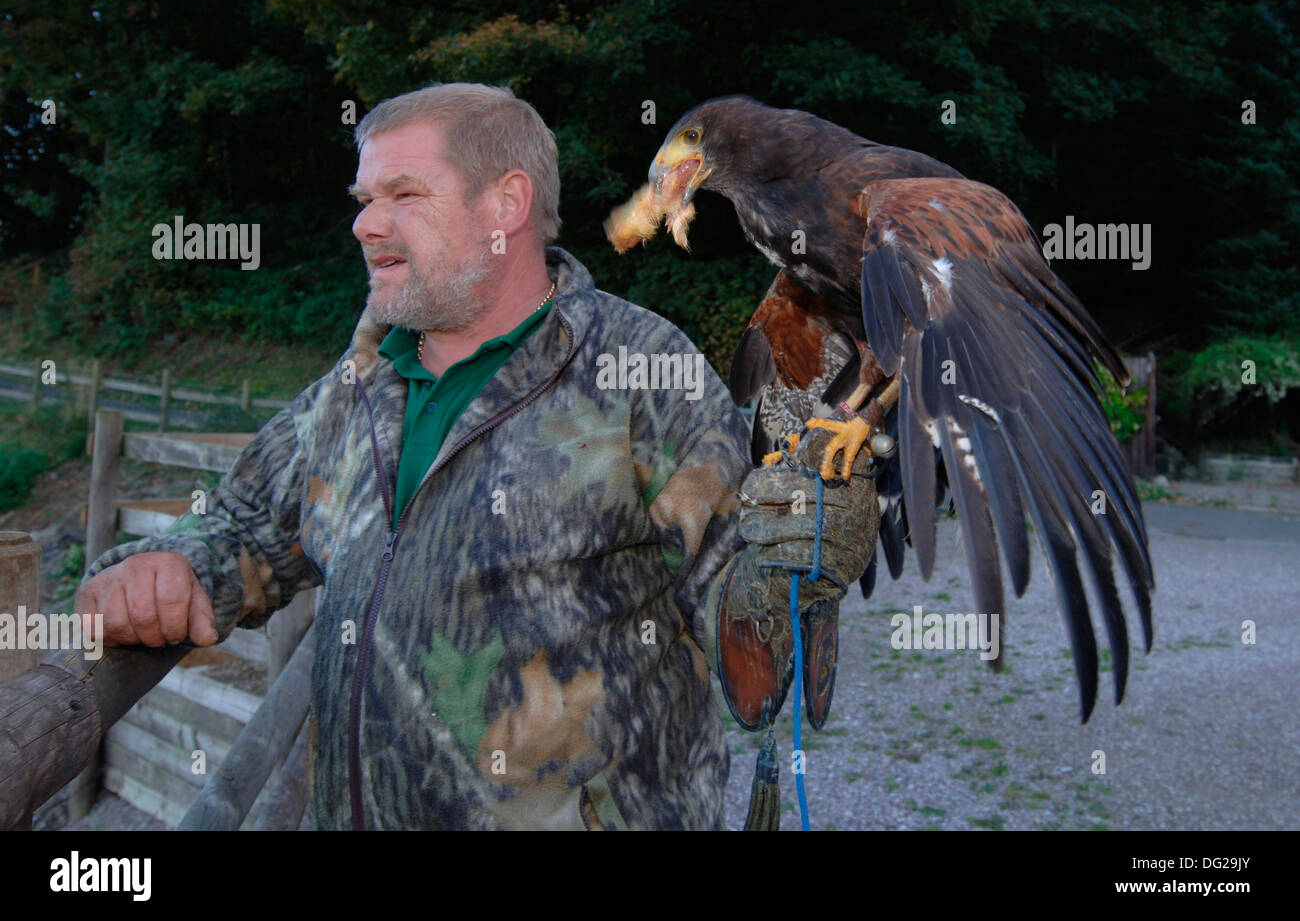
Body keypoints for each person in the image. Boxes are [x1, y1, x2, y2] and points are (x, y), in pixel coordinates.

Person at [76, 83, 876, 830]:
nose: (364, 225)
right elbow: (246, 528)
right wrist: (173, 565)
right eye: (363, 200)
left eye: (403, 195)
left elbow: (753, 639)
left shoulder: (643, 372)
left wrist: (795, 561)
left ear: (507, 204)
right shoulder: (356, 384)